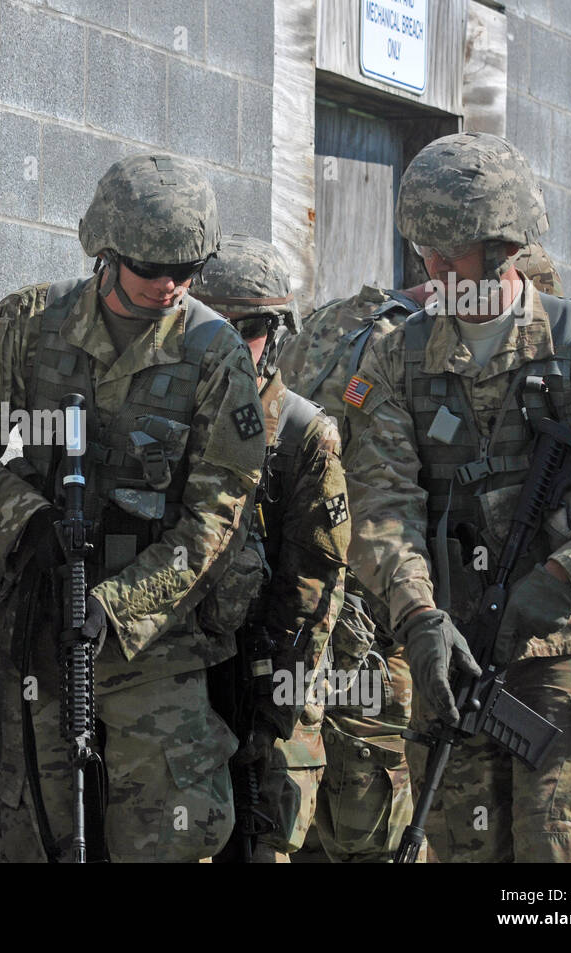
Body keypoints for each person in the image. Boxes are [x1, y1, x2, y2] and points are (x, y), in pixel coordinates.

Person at [342, 131, 571, 862]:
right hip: (462, 641)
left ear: (502, 248)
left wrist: (565, 574)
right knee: (464, 841)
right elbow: (382, 502)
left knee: (548, 836)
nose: (430, 268)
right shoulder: (396, 357)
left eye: (447, 252)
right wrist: (419, 616)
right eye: (422, 251)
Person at [0, 154, 266, 862]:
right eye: (153, 267)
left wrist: (118, 605)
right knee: (40, 834)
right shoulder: (28, 323)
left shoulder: (215, 352)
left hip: (158, 645)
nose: (171, 284)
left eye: (188, 268)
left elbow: (220, 512)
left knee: (166, 838)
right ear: (107, 253)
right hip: (48, 625)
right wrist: (28, 524)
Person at [276, 243, 563, 863]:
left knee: (305, 802)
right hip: (390, 621)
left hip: (303, 607)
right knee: (393, 818)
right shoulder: (419, 358)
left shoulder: (336, 320)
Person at [190, 235, 349, 863]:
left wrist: (276, 690)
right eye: (214, 325)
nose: (233, 341)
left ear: (277, 333)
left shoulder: (304, 433)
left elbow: (316, 581)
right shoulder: (174, 417)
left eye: (250, 327)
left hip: (271, 677)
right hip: (188, 676)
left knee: (263, 842)